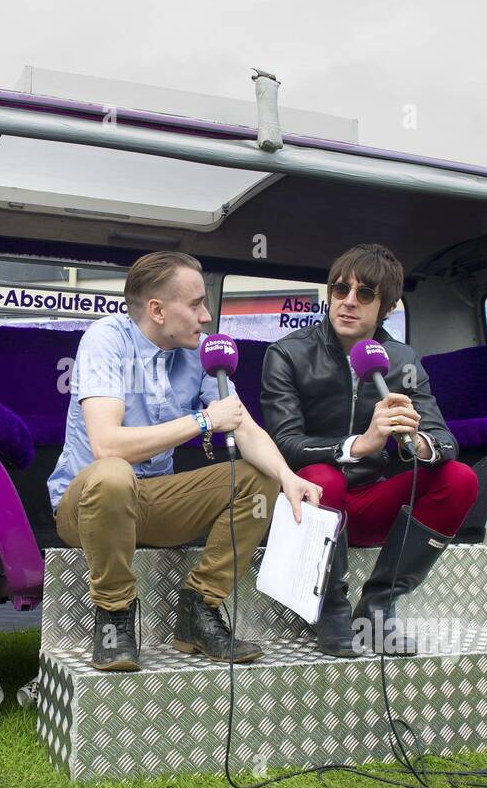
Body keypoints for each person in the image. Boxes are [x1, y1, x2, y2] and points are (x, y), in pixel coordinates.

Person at [49, 251, 322, 671]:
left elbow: (243, 427)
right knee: (113, 474)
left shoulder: (199, 354)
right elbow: (107, 446)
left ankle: (199, 608)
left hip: (151, 502)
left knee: (259, 478)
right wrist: (202, 420)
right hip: (89, 506)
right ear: (157, 310)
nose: (207, 315)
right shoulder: (107, 339)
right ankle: (115, 616)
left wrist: (288, 477)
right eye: (195, 304)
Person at [261, 243, 478, 657]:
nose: (347, 302)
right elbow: (286, 444)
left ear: (387, 307)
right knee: (321, 477)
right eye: (340, 290)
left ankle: (378, 606)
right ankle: (332, 609)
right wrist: (359, 445)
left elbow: (445, 440)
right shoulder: (288, 353)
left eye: (364, 295)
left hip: (371, 507)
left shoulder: (402, 360)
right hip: (309, 509)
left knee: (460, 478)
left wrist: (416, 441)